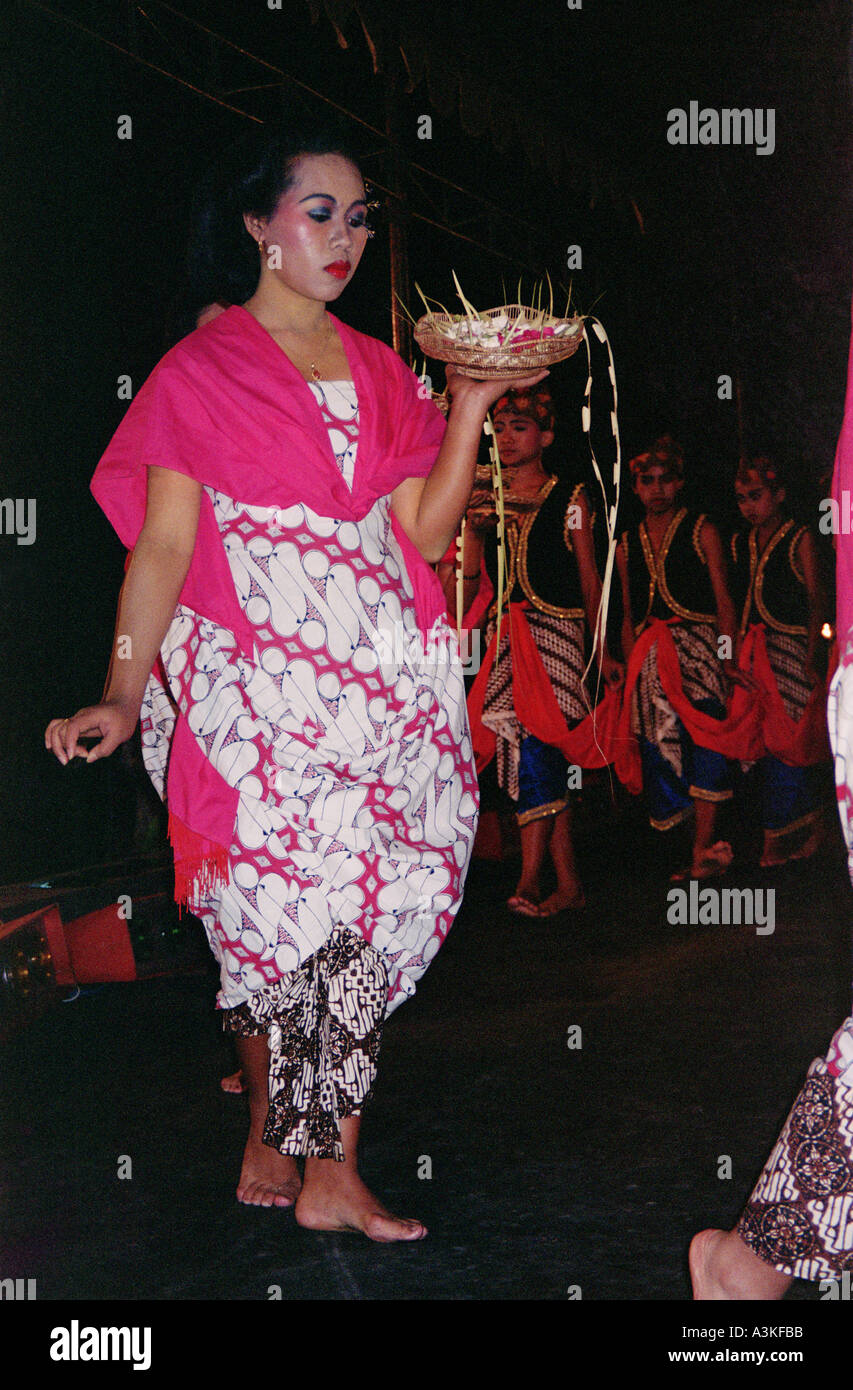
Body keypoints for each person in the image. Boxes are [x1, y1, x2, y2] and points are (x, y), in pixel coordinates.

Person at [44, 116, 547, 1240]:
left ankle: (298, 1135)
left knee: (372, 915)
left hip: (384, 681)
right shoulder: (202, 367)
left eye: (360, 218)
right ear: (257, 224)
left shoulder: (377, 368)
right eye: (319, 212)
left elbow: (418, 530)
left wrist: (463, 404)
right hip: (260, 687)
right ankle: (322, 1164)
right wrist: (123, 692)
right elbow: (163, 546)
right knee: (305, 919)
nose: (345, 237)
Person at [465, 386, 623, 916]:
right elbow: (468, 584)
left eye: (519, 428)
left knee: (539, 748)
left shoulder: (572, 497)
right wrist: (478, 533)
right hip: (506, 638)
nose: (506, 439)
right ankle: (569, 884)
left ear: (547, 435)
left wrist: (602, 647)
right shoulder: (485, 499)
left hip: (558, 636)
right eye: (499, 429)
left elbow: (588, 574)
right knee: (531, 751)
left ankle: (530, 877)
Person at [615, 436, 739, 880]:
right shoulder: (626, 542)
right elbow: (629, 615)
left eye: (666, 480)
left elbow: (724, 598)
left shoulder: (702, 527)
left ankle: (704, 849)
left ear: (680, 482)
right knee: (661, 747)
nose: (657, 489)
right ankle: (695, 850)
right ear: (635, 487)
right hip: (652, 655)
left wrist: (727, 656)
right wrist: (632, 671)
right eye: (647, 481)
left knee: (707, 740)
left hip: (701, 649)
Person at [731, 456, 829, 866]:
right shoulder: (741, 542)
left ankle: (801, 832)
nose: (749, 507)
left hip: (791, 653)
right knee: (765, 747)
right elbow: (738, 604)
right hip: (755, 655)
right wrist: (733, 656)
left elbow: (816, 600)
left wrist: (811, 657)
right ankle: (784, 833)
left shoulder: (800, 536)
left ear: (779, 496)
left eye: (756, 497)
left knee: (796, 743)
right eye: (741, 500)